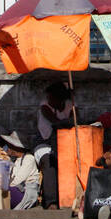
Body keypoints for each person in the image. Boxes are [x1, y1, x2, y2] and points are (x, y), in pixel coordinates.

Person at [37, 81, 73, 209]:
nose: (48, 99)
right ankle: (51, 201)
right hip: (45, 143)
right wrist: (67, 122)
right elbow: (56, 123)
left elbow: (75, 120)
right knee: (49, 161)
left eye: (51, 97)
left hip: (66, 143)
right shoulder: (45, 106)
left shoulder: (70, 105)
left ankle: (70, 197)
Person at [1, 131, 41, 210]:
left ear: (18, 147)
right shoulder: (14, 160)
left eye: (10, 146)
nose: (8, 148)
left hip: (25, 191)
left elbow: (18, 180)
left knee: (4, 190)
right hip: (15, 188)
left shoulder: (29, 159)